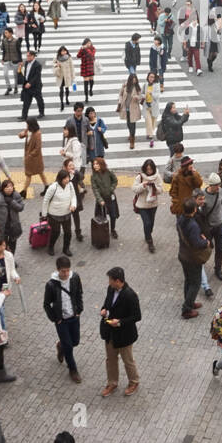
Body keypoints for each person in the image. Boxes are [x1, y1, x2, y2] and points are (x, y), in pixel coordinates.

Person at [99, 266, 141, 397]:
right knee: (110, 359)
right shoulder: (111, 289)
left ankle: (133, 381)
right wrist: (104, 309)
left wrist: (120, 322)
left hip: (124, 335)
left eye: (110, 280)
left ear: (118, 281)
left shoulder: (130, 295)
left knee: (127, 360)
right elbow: (107, 303)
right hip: (110, 331)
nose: (109, 282)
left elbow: (137, 316)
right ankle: (112, 383)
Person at [43, 255, 84, 384]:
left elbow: (79, 294)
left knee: (75, 341)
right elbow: (46, 304)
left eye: (67, 270)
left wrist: (79, 310)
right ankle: (73, 369)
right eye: (63, 271)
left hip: (74, 316)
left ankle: (60, 346)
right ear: (58, 270)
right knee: (69, 347)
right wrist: (55, 318)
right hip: (61, 320)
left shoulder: (75, 278)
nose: (66, 273)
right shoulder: (51, 284)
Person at [177, 197, 212, 319]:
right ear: (194, 210)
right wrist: (206, 242)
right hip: (192, 258)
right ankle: (187, 309)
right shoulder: (193, 225)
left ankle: (189, 302)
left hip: (183, 255)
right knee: (195, 283)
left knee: (188, 280)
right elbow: (196, 243)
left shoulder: (180, 219)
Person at [41, 169, 78, 257]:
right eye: (65, 178)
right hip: (54, 215)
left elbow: (73, 196)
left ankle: (66, 248)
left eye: (68, 178)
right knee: (55, 232)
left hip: (67, 213)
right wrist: (44, 214)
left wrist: (73, 205)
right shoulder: (53, 187)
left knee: (68, 232)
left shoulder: (70, 185)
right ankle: (50, 247)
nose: (67, 180)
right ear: (60, 178)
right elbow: (46, 200)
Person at [133, 159, 162, 253]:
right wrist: (143, 185)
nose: (149, 171)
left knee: (151, 223)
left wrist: (154, 187)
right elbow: (134, 189)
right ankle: (150, 241)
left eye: (150, 169)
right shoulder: (140, 177)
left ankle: (147, 234)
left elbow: (161, 190)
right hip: (142, 205)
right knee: (147, 223)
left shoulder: (157, 177)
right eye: (147, 169)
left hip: (153, 204)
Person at [90, 157, 120, 239]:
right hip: (101, 199)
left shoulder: (108, 172)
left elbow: (115, 181)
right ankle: (104, 229)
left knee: (113, 215)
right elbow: (95, 189)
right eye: (94, 164)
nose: (95, 166)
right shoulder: (93, 176)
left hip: (110, 197)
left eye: (97, 164)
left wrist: (111, 189)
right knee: (102, 216)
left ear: (101, 164)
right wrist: (100, 200)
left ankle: (113, 230)